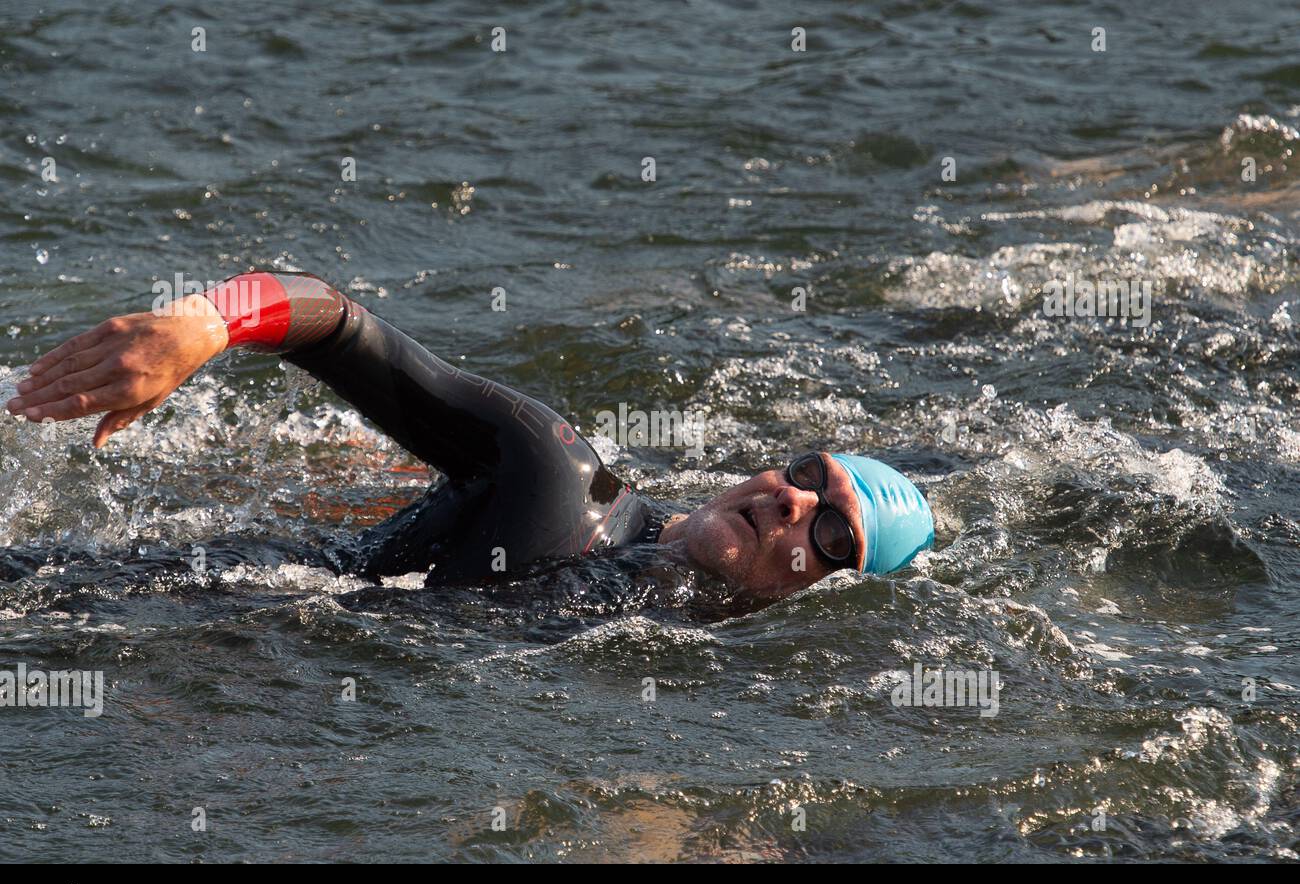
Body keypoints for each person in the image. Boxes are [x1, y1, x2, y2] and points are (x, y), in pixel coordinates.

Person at [5, 271, 934, 597]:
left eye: (833, 533)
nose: (794, 498)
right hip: (149, 607)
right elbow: (338, 324)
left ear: (827, 594)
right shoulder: (570, 481)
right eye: (812, 472)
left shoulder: (718, 676)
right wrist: (207, 325)